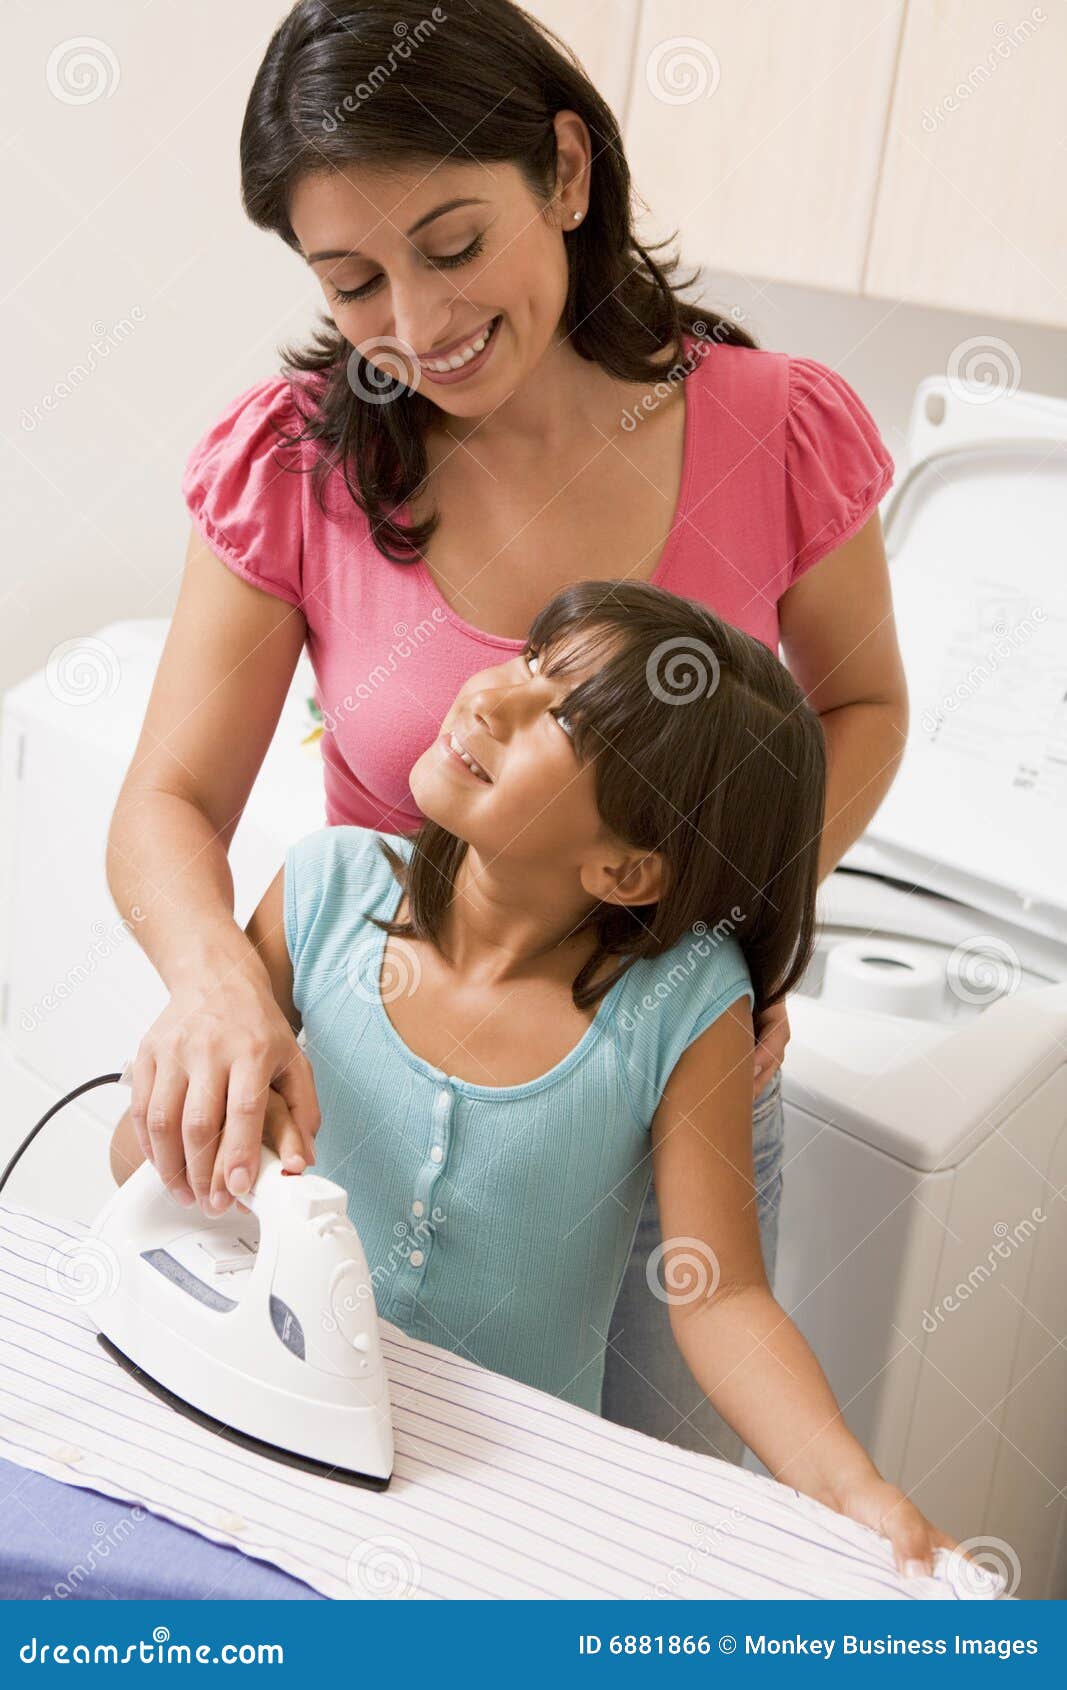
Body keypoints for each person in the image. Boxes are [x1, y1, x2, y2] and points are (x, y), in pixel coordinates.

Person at [106, 0, 908, 1465]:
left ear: (564, 171)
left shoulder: (769, 425)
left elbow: (859, 708)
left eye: (452, 247)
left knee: (666, 1519)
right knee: (375, 1483)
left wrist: (722, 927)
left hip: (678, 1095)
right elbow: (164, 797)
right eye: (350, 281)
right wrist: (218, 984)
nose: (414, 328)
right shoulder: (298, 460)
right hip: (370, 1081)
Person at [111, 581, 949, 1578]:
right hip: (285, 1430)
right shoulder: (325, 891)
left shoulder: (684, 1007)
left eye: (560, 719)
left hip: (514, 1515)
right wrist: (204, 1117)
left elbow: (719, 1297)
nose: (491, 696)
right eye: (532, 661)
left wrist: (849, 1486)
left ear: (628, 871)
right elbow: (139, 1160)